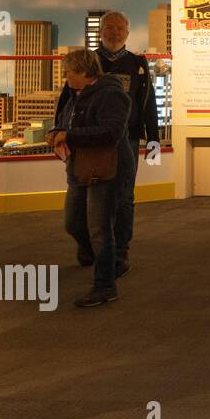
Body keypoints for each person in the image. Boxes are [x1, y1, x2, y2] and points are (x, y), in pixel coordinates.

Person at [55, 11, 159, 276]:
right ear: (100, 31)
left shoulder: (138, 63)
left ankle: (120, 252)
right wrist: (59, 129)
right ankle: (88, 244)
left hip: (128, 139)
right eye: (109, 28)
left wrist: (154, 137)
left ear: (127, 31)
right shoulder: (90, 60)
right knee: (78, 206)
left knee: (125, 198)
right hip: (88, 141)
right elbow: (67, 97)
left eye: (119, 28)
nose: (114, 32)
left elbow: (147, 101)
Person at [48, 49, 134, 308]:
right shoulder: (76, 95)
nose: (65, 77)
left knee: (99, 229)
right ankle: (100, 258)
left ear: (84, 72)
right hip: (81, 167)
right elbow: (67, 123)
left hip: (106, 169)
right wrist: (59, 131)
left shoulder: (112, 95)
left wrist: (70, 136)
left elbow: (111, 133)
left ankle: (105, 285)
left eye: (69, 72)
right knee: (73, 222)